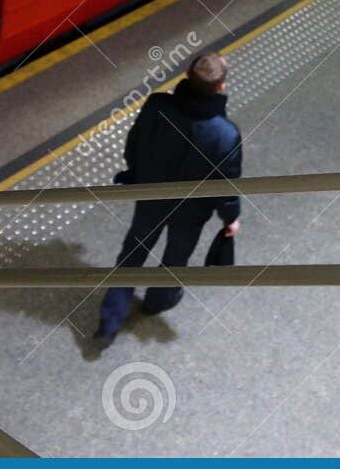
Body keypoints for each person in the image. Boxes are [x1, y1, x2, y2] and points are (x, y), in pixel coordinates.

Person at [94, 52, 242, 347]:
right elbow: (224, 185)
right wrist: (231, 217)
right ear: (222, 88)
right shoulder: (226, 135)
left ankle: (110, 320)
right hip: (191, 210)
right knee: (177, 256)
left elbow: (134, 143)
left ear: (186, 75)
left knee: (132, 253)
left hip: (151, 196)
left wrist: (136, 172)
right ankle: (158, 300)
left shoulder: (157, 105)